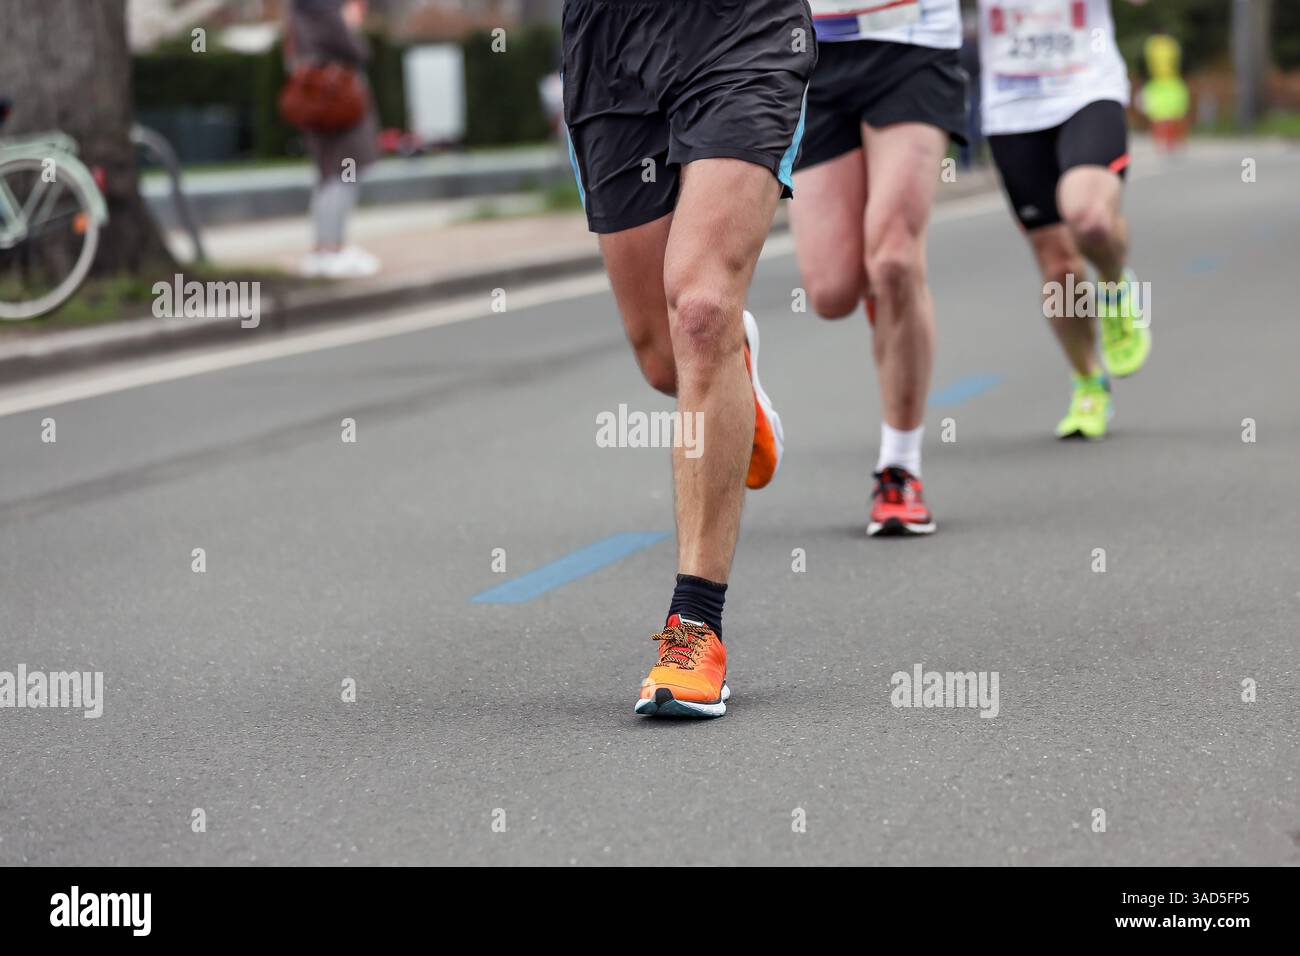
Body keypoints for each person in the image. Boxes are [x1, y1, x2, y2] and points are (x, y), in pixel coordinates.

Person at [562, 0, 816, 717]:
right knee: (664, 359)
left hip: (743, 29)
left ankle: (695, 627)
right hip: (610, 42)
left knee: (702, 310)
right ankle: (737, 374)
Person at [790, 0, 969, 536]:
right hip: (807, 49)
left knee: (894, 258)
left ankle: (900, 468)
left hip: (913, 40)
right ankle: (886, 302)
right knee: (831, 291)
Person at [978, 0, 1150, 439]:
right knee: (1060, 267)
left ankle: (1114, 286)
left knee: (1089, 218)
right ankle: (1089, 380)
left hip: (1087, 91)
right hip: (1012, 107)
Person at [288, 0, 381, 279]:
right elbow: (355, 50)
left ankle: (322, 249)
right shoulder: (325, 8)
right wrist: (351, 23)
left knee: (328, 176)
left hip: (314, 99)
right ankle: (333, 249)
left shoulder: (299, 9)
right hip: (339, 100)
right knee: (345, 175)